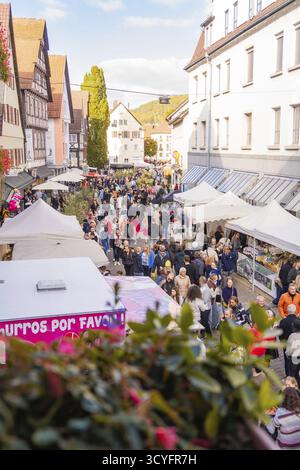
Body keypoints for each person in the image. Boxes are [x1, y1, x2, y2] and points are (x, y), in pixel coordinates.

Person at [279, 304, 298, 377]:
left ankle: (288, 376)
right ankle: (296, 376)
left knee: (287, 360)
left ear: (287, 310)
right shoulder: (298, 321)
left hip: (286, 344)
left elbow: (280, 334)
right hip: (297, 344)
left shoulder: (283, 321)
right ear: (295, 311)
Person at [286, 319, 300, 385]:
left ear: (294, 327)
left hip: (295, 357)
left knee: (294, 374)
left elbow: (289, 350)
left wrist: (288, 355)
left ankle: (295, 388)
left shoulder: (292, 336)